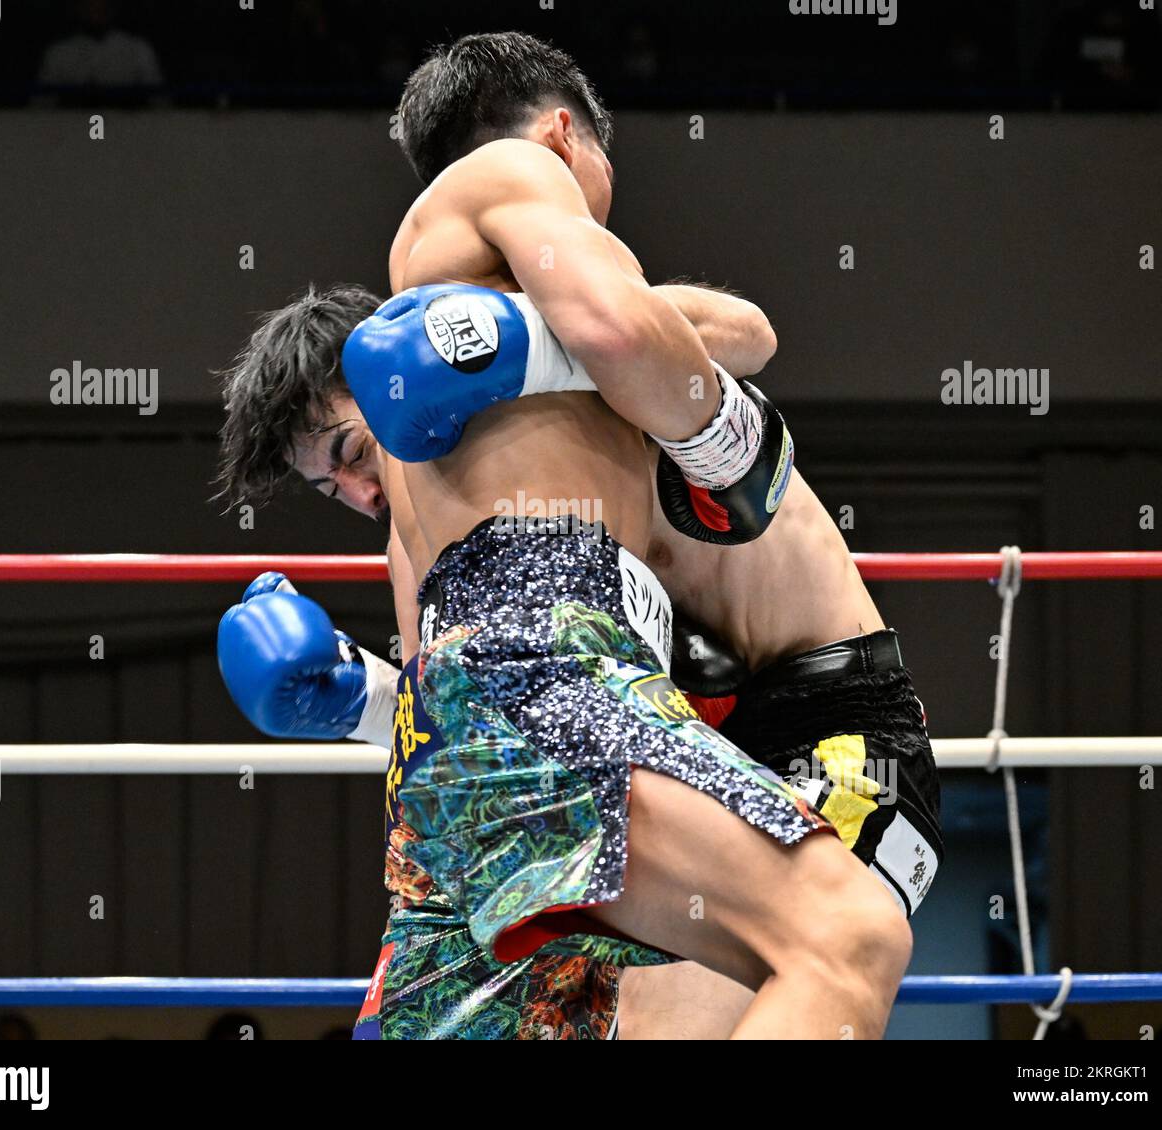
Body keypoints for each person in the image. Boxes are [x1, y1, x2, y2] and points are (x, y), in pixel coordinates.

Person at [217, 31, 913, 1039]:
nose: (361, 489)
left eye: (347, 452)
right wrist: (722, 442)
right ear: (560, 134)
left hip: (490, 748)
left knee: (646, 1013)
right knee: (851, 936)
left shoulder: (470, 393)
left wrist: (524, 351)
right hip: (551, 671)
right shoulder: (512, 172)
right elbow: (640, 336)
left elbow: (728, 328)